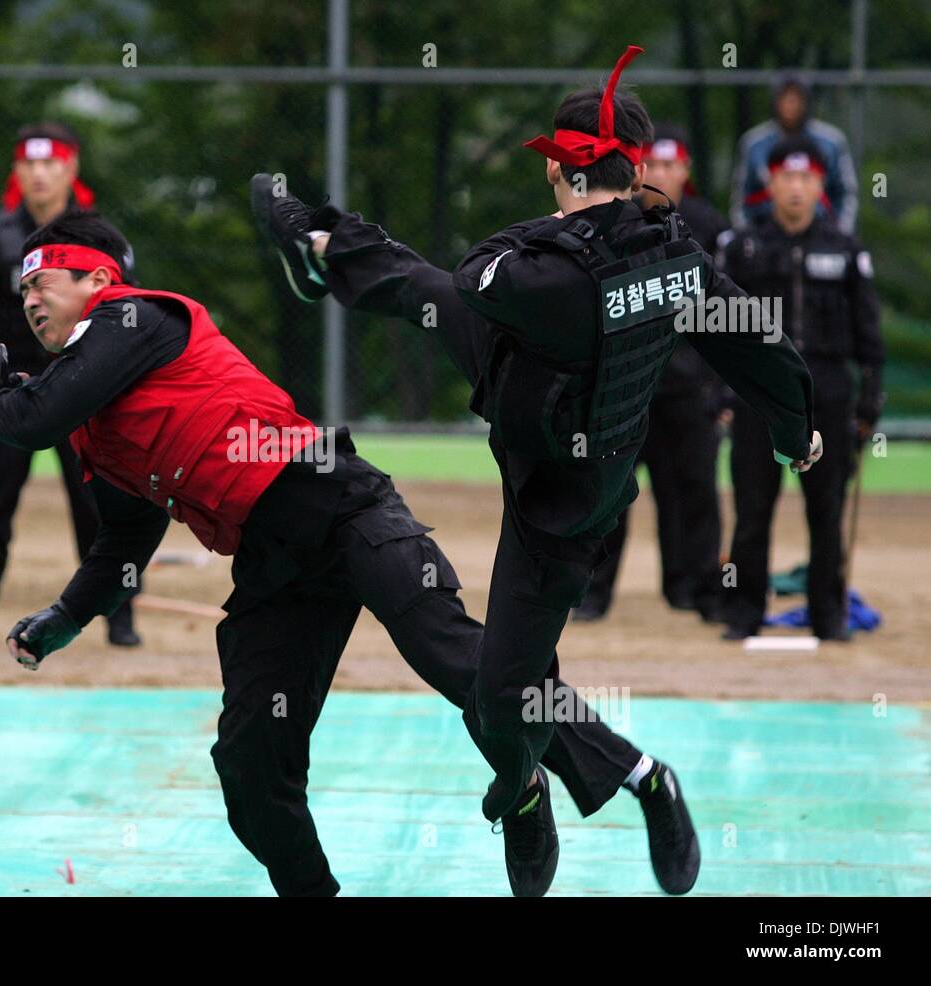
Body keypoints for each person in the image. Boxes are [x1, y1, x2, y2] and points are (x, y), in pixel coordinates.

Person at [0, 210, 699, 898]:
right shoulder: (93, 416)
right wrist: (66, 616)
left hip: (338, 502)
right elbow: (124, 535)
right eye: (19, 291)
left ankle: (642, 780)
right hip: (274, 562)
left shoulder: (134, 315)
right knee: (249, 764)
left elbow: (32, 416)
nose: (28, 301)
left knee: (466, 666)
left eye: (41, 281)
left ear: (98, 278)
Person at [255, 44, 820, 867]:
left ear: (562, 169)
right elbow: (758, 343)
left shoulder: (537, 274)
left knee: (500, 695)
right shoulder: (675, 257)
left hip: (558, 500)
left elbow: (479, 271)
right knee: (418, 290)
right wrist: (792, 428)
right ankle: (323, 246)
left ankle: (547, 789)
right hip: (536, 381)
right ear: (634, 168)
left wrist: (564, 230)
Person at [0, 123, 141, 647]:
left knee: (99, 506)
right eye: (28, 164)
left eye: (50, 163)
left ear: (71, 169)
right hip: (11, 392)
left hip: (83, 391)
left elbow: (126, 320)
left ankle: (118, 615)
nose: (39, 174)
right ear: (17, 172)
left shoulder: (100, 239)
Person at [718, 135, 884, 641]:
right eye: (786, 177)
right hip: (756, 399)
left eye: (806, 178)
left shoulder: (847, 250)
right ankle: (743, 613)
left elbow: (868, 336)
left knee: (826, 512)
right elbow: (716, 328)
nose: (795, 188)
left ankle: (828, 614)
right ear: (769, 184)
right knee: (751, 512)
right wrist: (722, 395)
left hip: (829, 397)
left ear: (820, 186)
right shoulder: (741, 247)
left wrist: (869, 400)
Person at [576, 123, 728, 621]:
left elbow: (730, 316)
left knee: (692, 492)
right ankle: (592, 593)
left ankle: (695, 589)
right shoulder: (613, 224)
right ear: (638, 172)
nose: (662, 173)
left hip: (689, 391)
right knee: (607, 496)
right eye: (653, 165)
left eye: (672, 164)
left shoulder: (709, 227)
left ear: (686, 171)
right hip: (626, 388)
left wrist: (721, 390)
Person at [730, 73, 859, 234]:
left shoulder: (831, 142)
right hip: (766, 237)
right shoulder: (754, 143)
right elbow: (741, 196)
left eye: (796, 99)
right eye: (785, 99)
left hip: (821, 235)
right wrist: (746, 239)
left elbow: (846, 193)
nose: (795, 187)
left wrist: (840, 237)